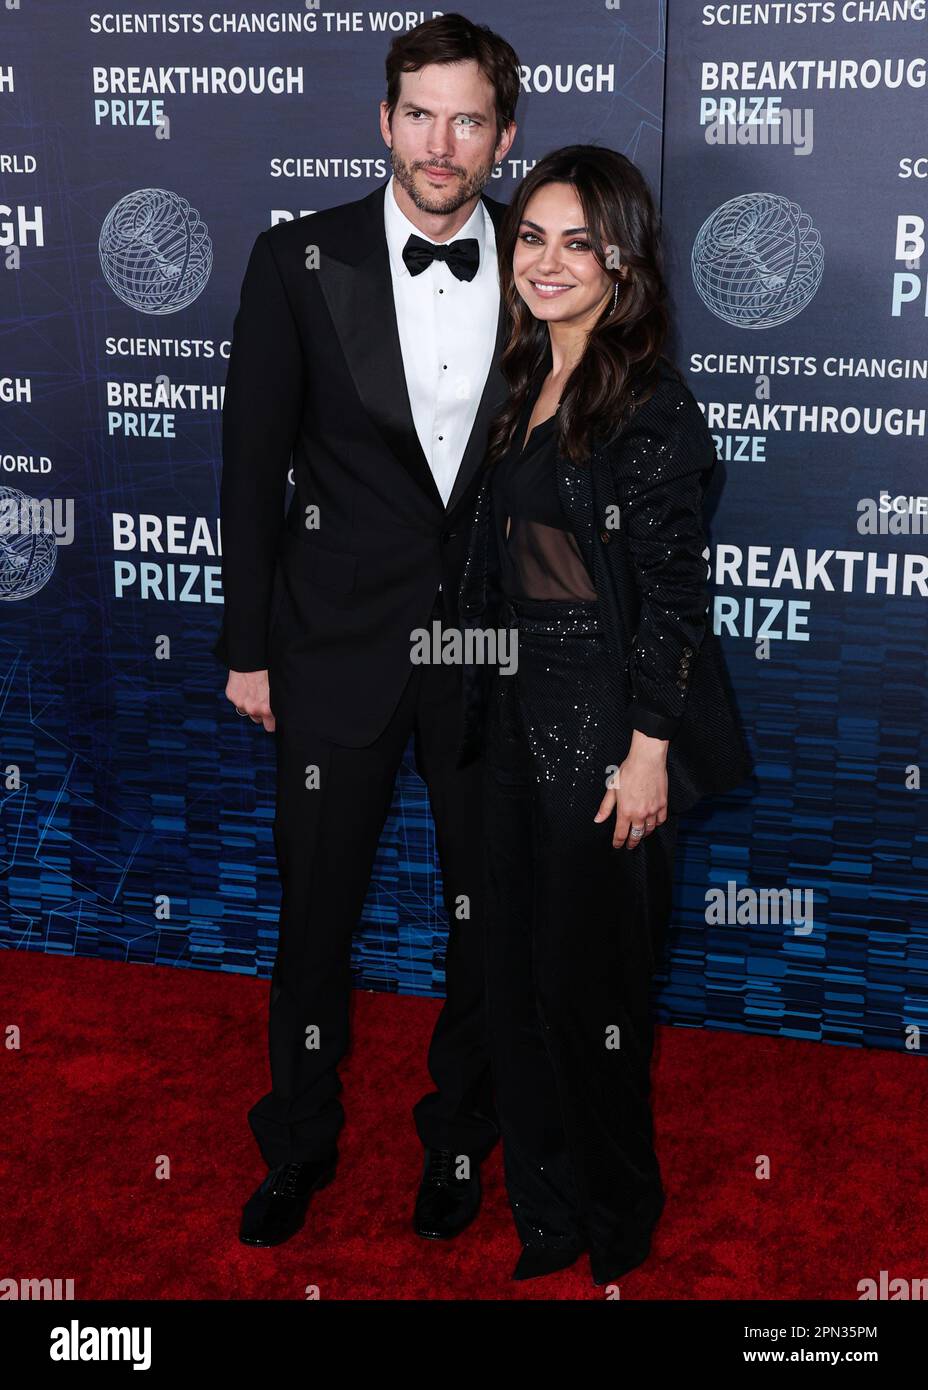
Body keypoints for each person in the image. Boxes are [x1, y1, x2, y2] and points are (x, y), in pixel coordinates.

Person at [212, 14, 520, 1247]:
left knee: (482, 912)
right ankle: (298, 1139)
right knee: (314, 917)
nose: (440, 143)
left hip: (483, 652)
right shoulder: (296, 259)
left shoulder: (549, 264)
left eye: (468, 118)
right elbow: (248, 470)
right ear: (380, 120)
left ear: (504, 135)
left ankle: (457, 1139)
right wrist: (246, 649)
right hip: (331, 643)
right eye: (419, 113)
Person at [456, 145, 755, 1285]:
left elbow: (674, 598)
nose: (545, 260)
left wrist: (645, 754)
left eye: (576, 240)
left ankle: (616, 1216)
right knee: (513, 977)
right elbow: (490, 576)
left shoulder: (649, 403)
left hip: (602, 725)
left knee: (593, 995)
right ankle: (544, 1207)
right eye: (530, 236)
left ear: (622, 260)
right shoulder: (516, 377)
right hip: (510, 713)